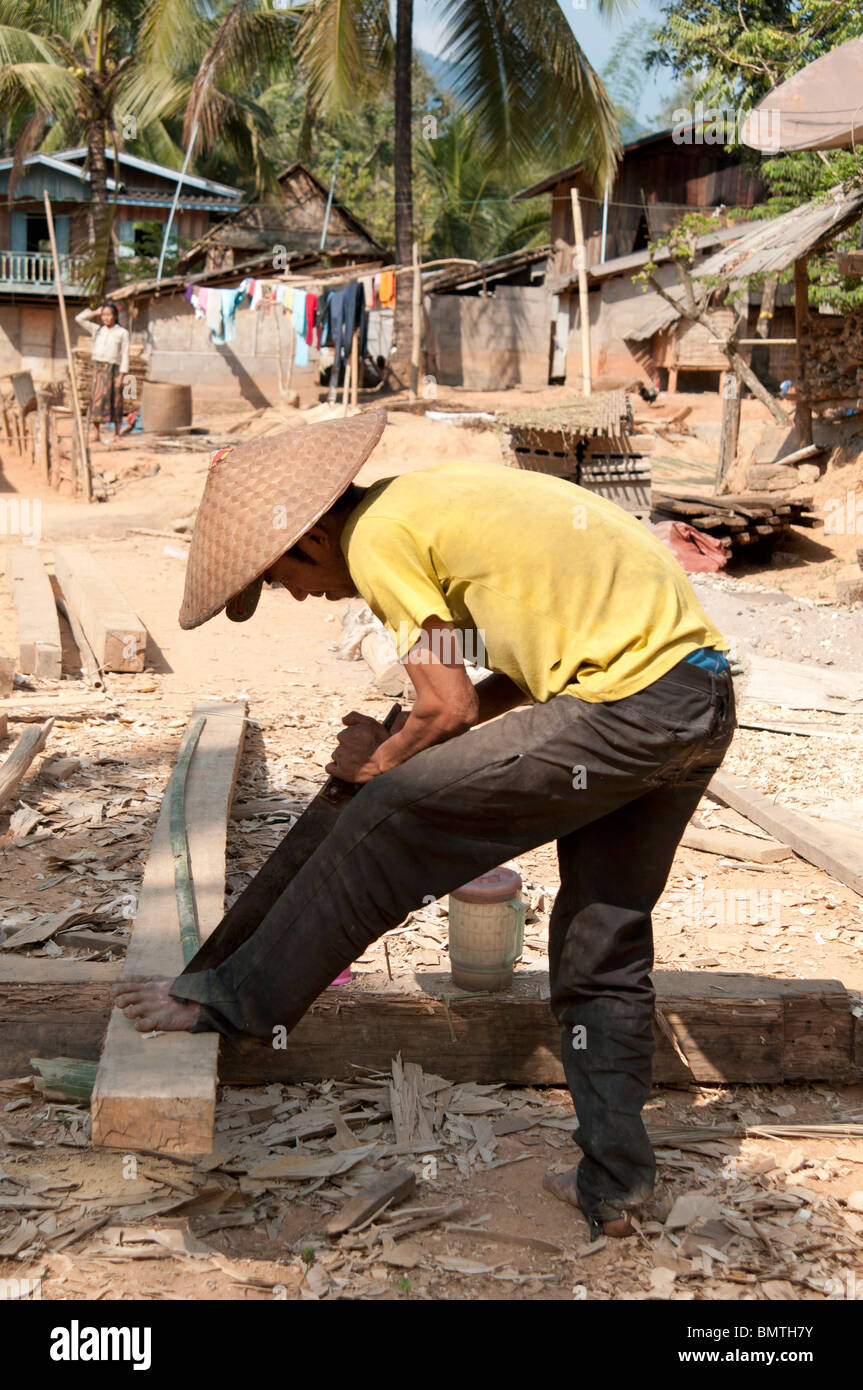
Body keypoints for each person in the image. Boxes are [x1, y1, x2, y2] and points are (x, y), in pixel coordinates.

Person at [112, 410, 736, 1240]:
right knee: (601, 941)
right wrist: (405, 742)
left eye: (284, 579)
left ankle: (229, 1002)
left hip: (624, 708)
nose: (299, 594)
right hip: (694, 698)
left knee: (385, 814)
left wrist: (380, 764)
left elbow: (448, 705)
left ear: (309, 540)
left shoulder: (375, 536)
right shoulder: (434, 509)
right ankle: (615, 1184)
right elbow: (509, 677)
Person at [75, 303, 130, 445]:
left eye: (109, 315)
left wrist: (122, 375)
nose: (106, 317)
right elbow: (79, 319)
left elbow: (125, 355)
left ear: (115, 316)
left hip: (114, 369)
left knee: (116, 400)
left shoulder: (122, 333)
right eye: (103, 315)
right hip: (99, 369)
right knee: (97, 400)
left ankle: (117, 434)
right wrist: (94, 312)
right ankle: (96, 434)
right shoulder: (97, 330)